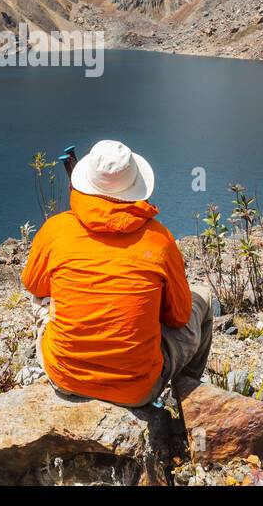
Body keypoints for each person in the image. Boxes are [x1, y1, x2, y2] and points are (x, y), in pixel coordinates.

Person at [22, 139, 213, 407]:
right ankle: (188, 403)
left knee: (43, 297)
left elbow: (34, 285)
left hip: (65, 378)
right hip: (137, 391)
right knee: (202, 296)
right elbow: (179, 316)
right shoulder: (159, 241)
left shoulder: (56, 230)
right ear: (136, 187)